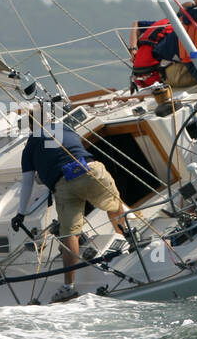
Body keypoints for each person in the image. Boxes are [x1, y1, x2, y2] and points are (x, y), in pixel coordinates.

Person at [12, 112, 130, 303]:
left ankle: (68, 287)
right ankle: (131, 246)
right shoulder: (65, 129)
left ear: (31, 127)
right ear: (49, 120)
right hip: (89, 170)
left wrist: (20, 214)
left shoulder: (30, 145)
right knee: (115, 206)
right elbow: (64, 150)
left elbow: (27, 184)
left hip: (64, 184)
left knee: (70, 234)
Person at [127, 0, 197, 89]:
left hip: (142, 75)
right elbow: (163, 51)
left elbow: (137, 24)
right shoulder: (184, 28)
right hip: (156, 74)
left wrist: (133, 49)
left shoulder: (165, 24)